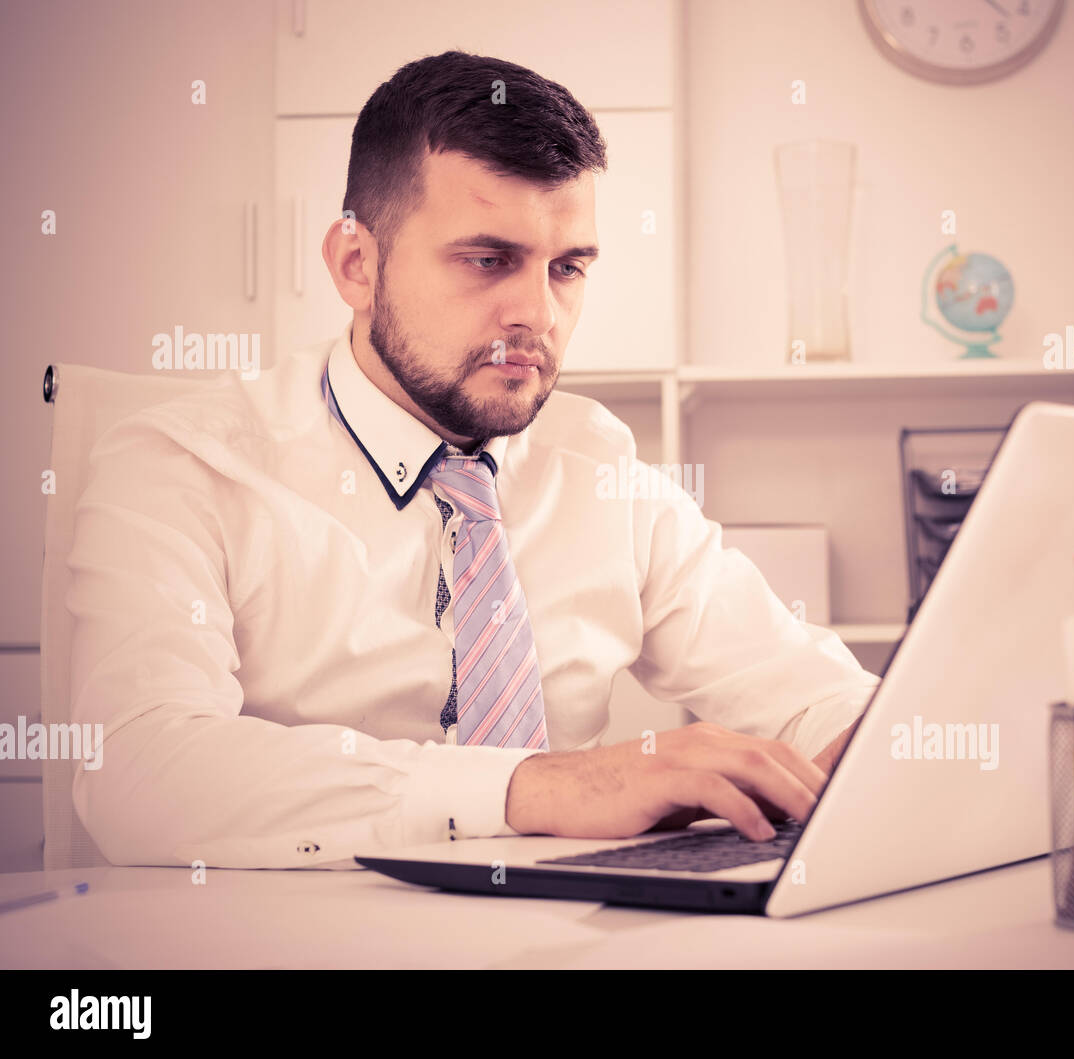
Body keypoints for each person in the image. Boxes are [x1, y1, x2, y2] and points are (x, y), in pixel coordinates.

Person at [67, 50, 878, 869]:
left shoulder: (598, 465)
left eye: (567, 268)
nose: (537, 313)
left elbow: (811, 693)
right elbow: (137, 770)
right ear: (357, 263)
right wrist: (535, 789)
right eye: (489, 260)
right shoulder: (182, 464)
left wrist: (879, 747)